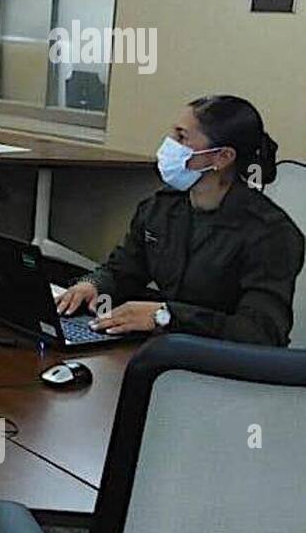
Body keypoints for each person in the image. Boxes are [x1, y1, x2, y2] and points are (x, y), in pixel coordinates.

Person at [57, 95, 303, 346]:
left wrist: (165, 316)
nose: (169, 146)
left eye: (182, 138)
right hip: (165, 349)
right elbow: (124, 269)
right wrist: (92, 285)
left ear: (222, 157)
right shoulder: (162, 206)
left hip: (224, 365)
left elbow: (261, 332)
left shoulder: (270, 233)